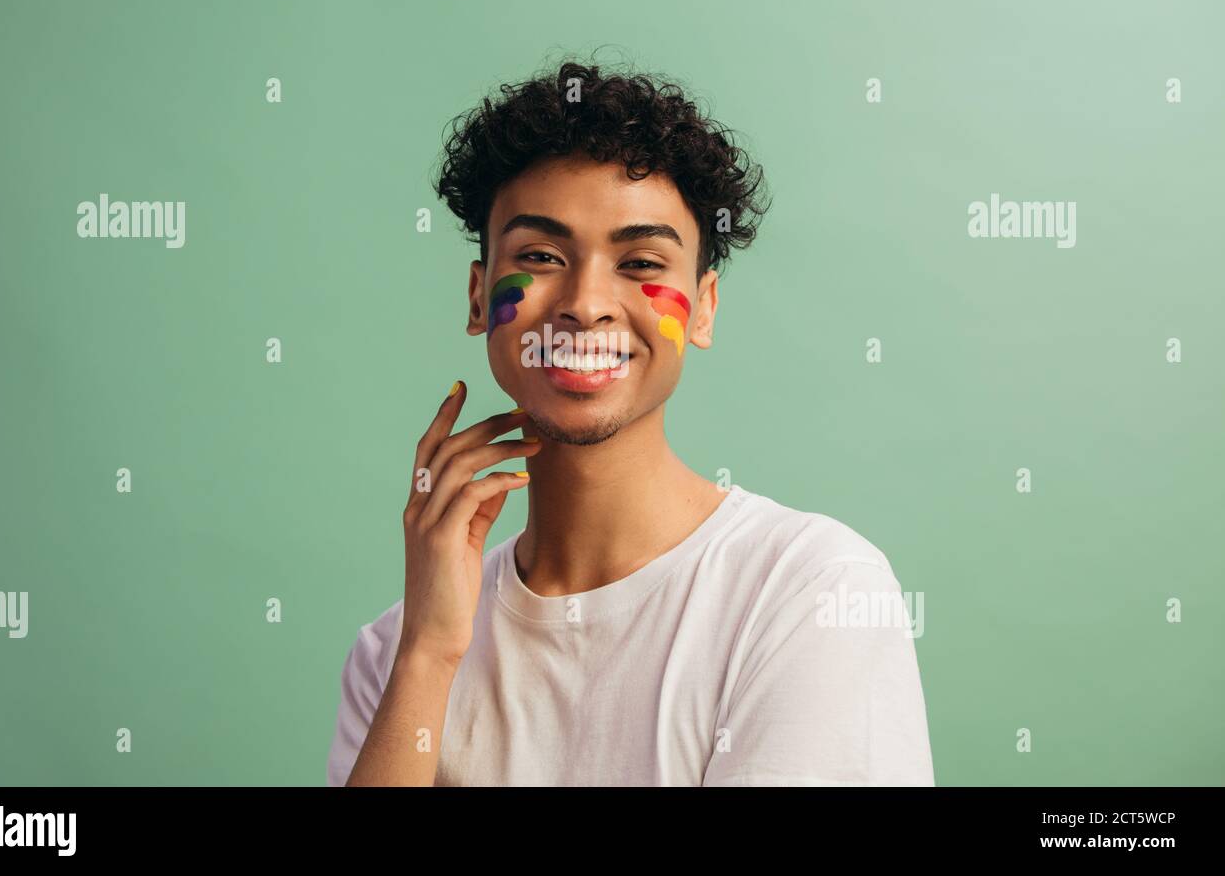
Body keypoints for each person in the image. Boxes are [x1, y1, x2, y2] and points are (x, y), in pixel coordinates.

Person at [327, 59, 935, 786]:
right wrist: (428, 655)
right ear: (477, 291)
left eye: (640, 260)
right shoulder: (395, 651)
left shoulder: (813, 591)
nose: (585, 302)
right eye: (541, 255)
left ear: (703, 307)